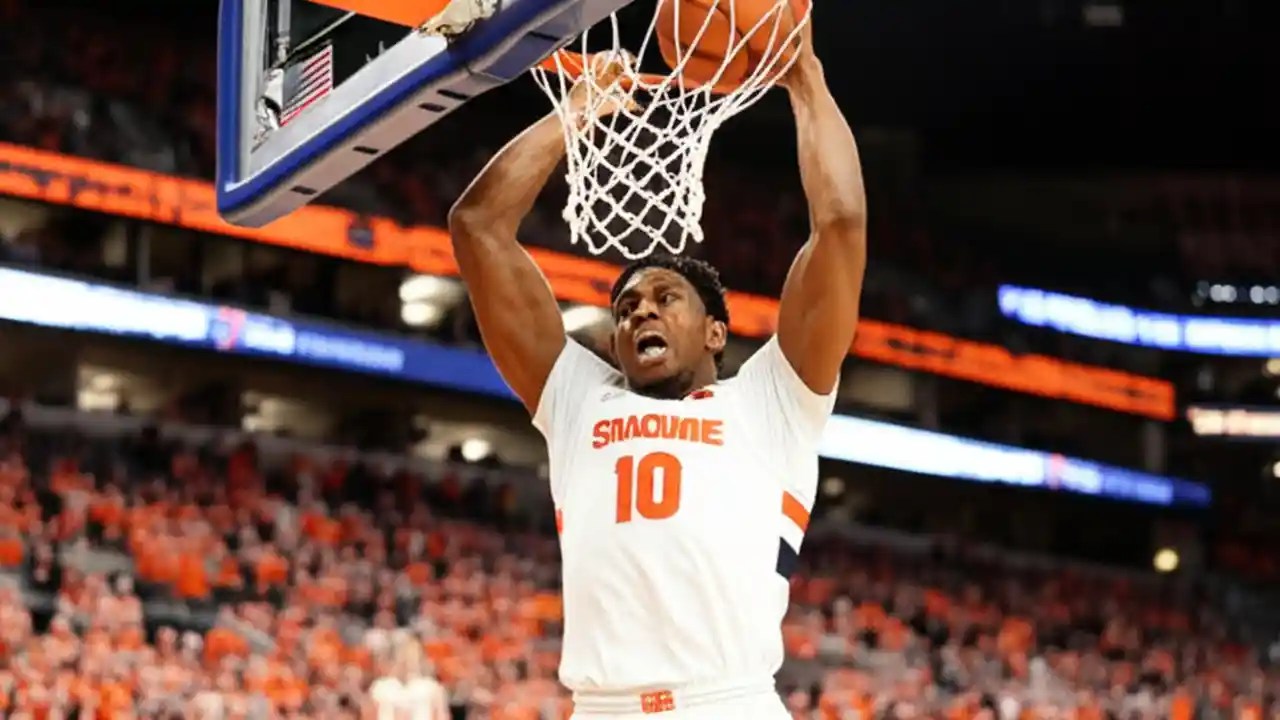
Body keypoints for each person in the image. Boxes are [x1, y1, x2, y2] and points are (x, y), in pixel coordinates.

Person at [447, 8, 866, 719]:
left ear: (715, 333)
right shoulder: (580, 399)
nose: (639, 311)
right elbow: (477, 227)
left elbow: (841, 227)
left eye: (665, 297)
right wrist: (576, 114)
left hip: (727, 704)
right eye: (626, 307)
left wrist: (804, 80)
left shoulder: (772, 399)